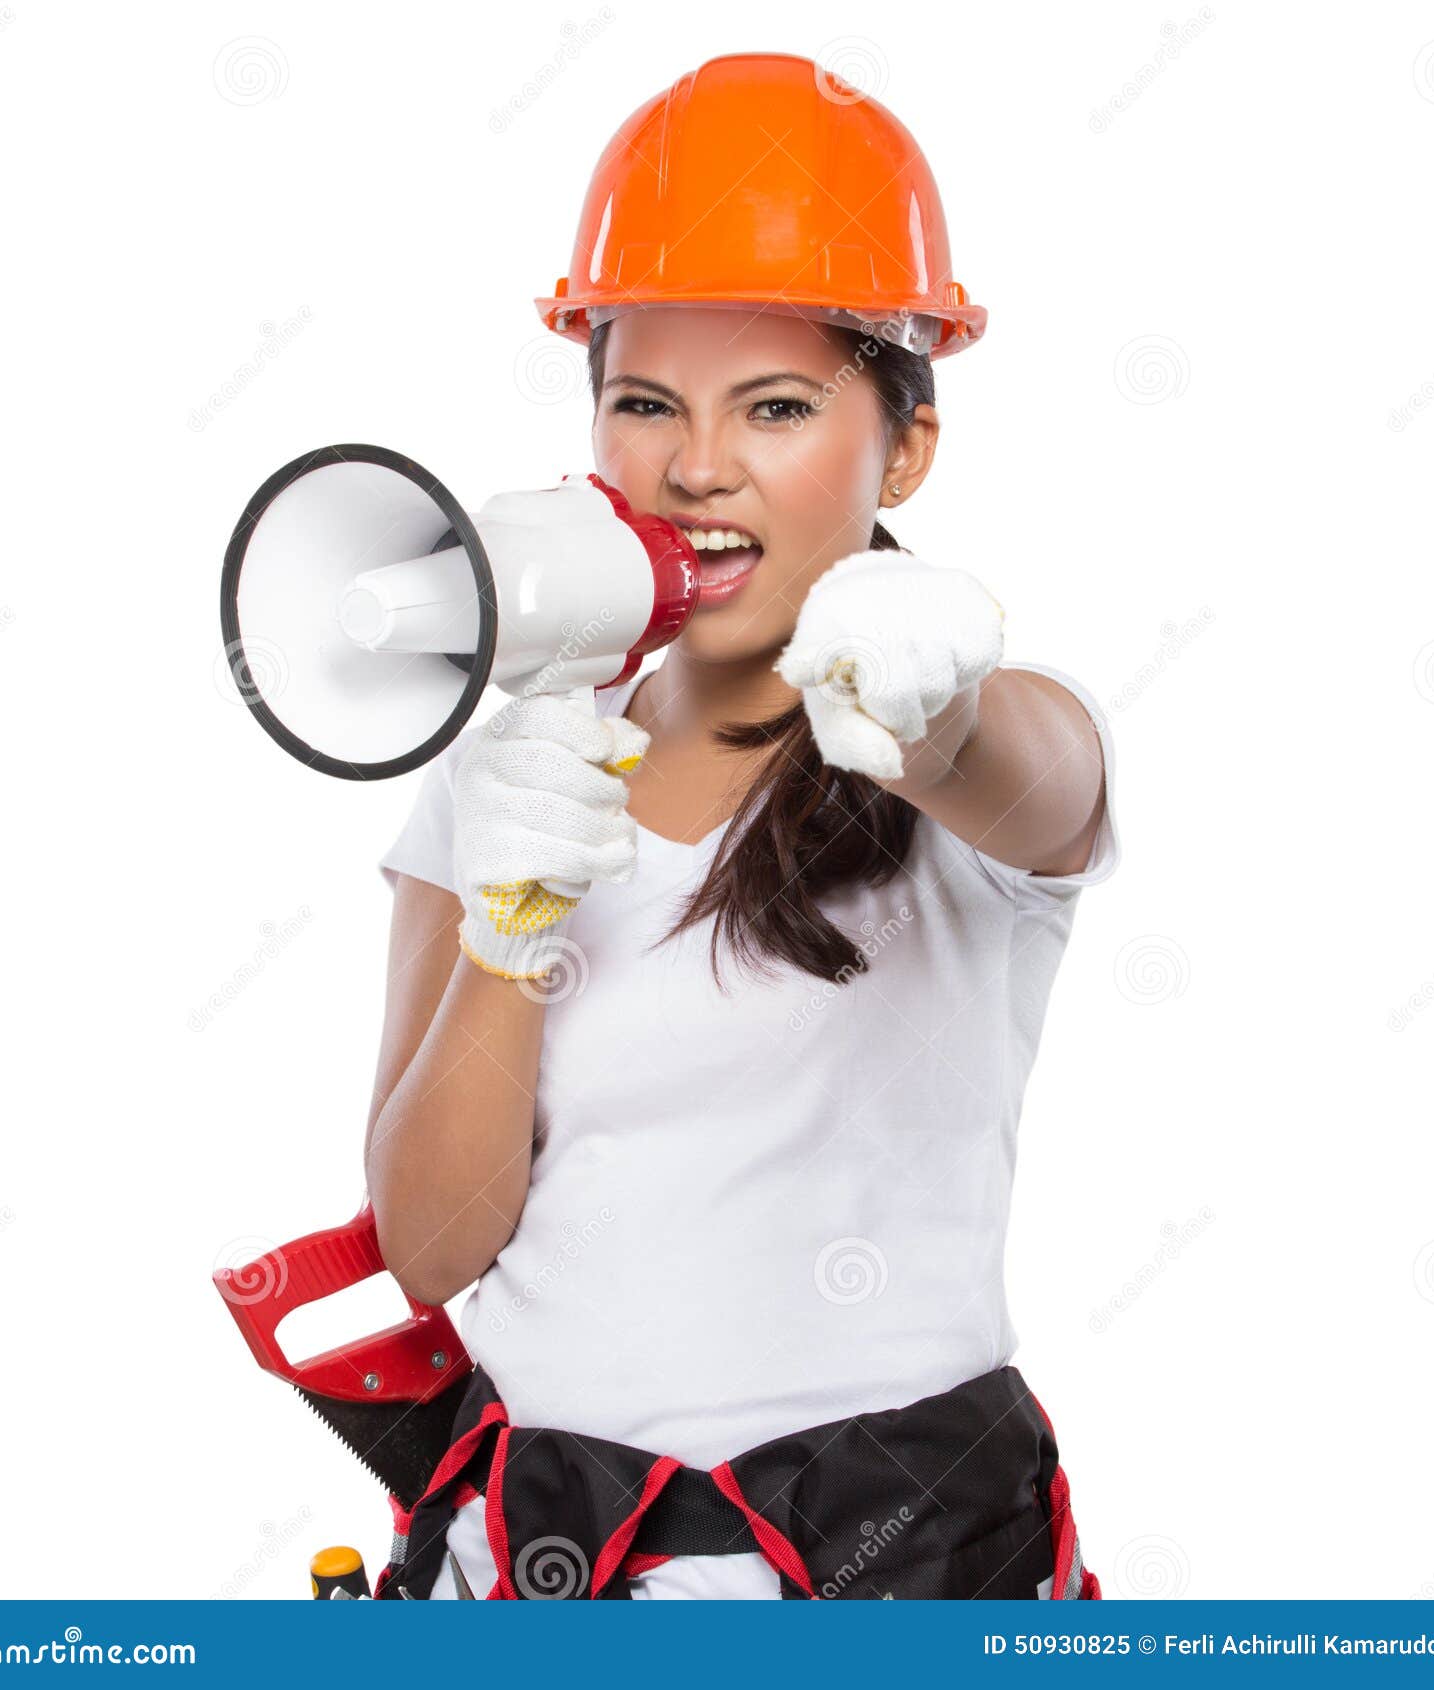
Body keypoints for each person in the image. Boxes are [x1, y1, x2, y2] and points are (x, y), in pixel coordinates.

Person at [364, 52, 1119, 1601]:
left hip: (897, 1563)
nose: (696, 468)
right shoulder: (504, 773)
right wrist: (513, 920)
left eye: (776, 406)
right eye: (645, 402)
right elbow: (434, 1247)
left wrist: (940, 721)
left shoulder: (968, 739)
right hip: (548, 1559)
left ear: (904, 445)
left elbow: (1040, 785)